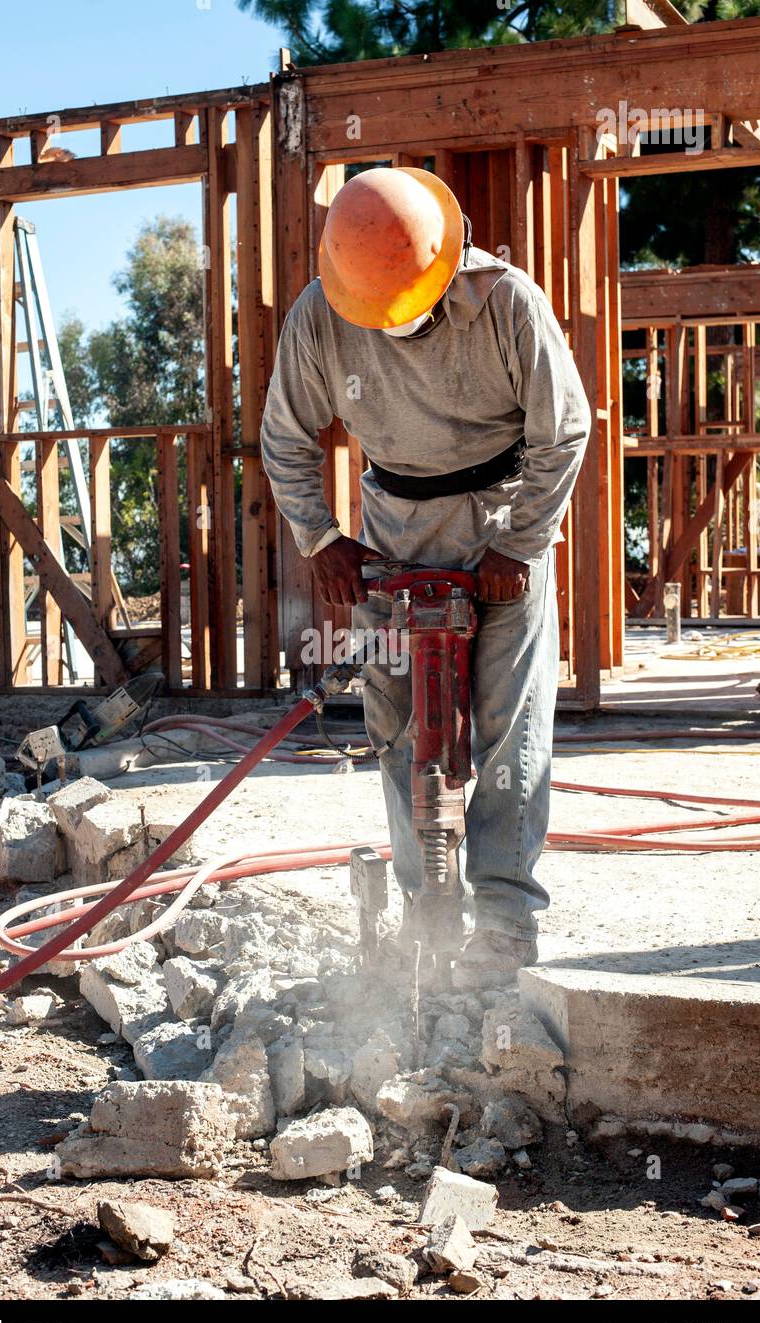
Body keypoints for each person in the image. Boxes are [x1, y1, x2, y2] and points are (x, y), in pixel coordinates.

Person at [260, 167, 590, 986]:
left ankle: (505, 922)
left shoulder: (508, 303)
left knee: (509, 727)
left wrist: (519, 545)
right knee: (398, 728)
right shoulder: (322, 314)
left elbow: (565, 430)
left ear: (447, 265)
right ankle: (426, 914)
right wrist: (319, 537)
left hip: (500, 522)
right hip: (390, 535)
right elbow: (284, 437)